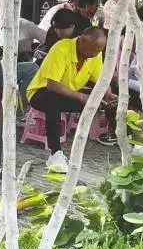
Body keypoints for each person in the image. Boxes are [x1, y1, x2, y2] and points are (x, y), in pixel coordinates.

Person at [27, 27, 114, 172]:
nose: (96, 54)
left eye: (99, 51)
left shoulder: (95, 54)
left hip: (70, 93)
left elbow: (100, 80)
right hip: (41, 93)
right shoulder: (62, 48)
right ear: (83, 40)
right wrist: (82, 97)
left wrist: (108, 92)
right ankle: (55, 153)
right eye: (94, 50)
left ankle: (120, 136)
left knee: (113, 95)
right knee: (53, 101)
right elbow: (52, 85)